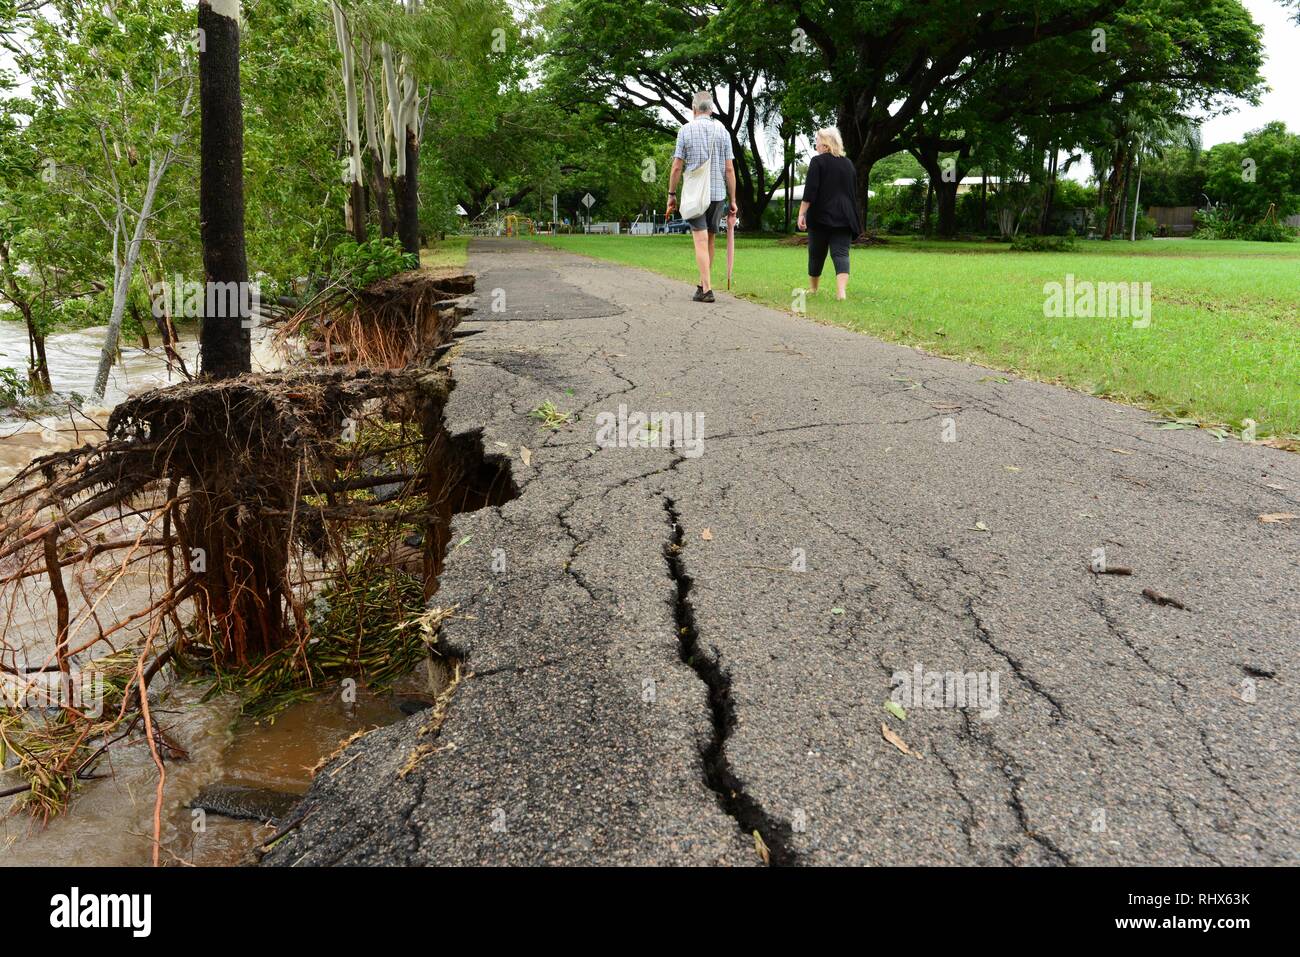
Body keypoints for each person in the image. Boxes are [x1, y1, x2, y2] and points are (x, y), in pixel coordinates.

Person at [666, 92, 737, 302]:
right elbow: (730, 170)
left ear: (694, 109)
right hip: (717, 194)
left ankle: (707, 289)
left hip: (695, 195)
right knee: (710, 240)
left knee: (700, 239)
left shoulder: (685, 130)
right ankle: (702, 284)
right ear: (712, 109)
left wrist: (671, 194)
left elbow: (677, 166)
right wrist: (733, 200)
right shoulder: (723, 131)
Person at [797, 127, 861, 300]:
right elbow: (852, 191)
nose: (816, 144)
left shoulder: (818, 162)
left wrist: (801, 213)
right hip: (845, 216)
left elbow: (810, 191)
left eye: (817, 140)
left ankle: (813, 289)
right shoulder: (848, 164)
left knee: (816, 253)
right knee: (841, 253)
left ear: (825, 144)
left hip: (821, 215)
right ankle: (841, 293)